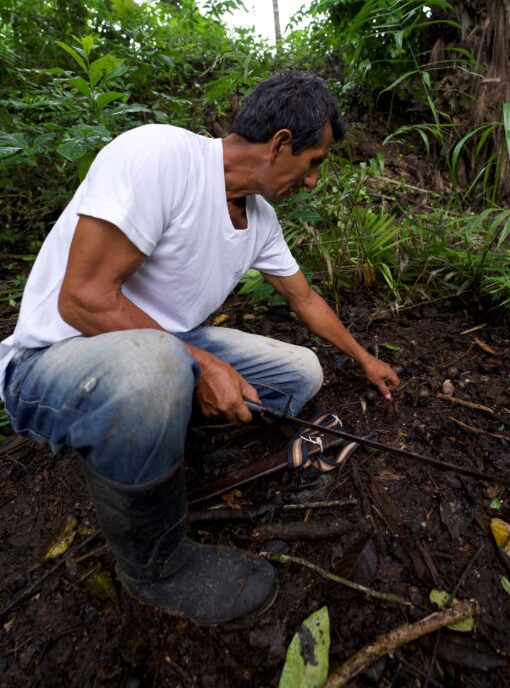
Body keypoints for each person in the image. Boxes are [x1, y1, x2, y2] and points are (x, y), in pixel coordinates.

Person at [0, 70, 399, 624]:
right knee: (158, 364)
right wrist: (200, 363)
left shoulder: (259, 220)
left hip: (158, 349)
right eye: (314, 162)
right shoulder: (161, 156)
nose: (313, 182)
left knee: (299, 374)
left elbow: (305, 300)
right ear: (282, 143)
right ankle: (155, 566)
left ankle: (157, 433)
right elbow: (84, 300)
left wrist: (364, 358)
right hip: (56, 358)